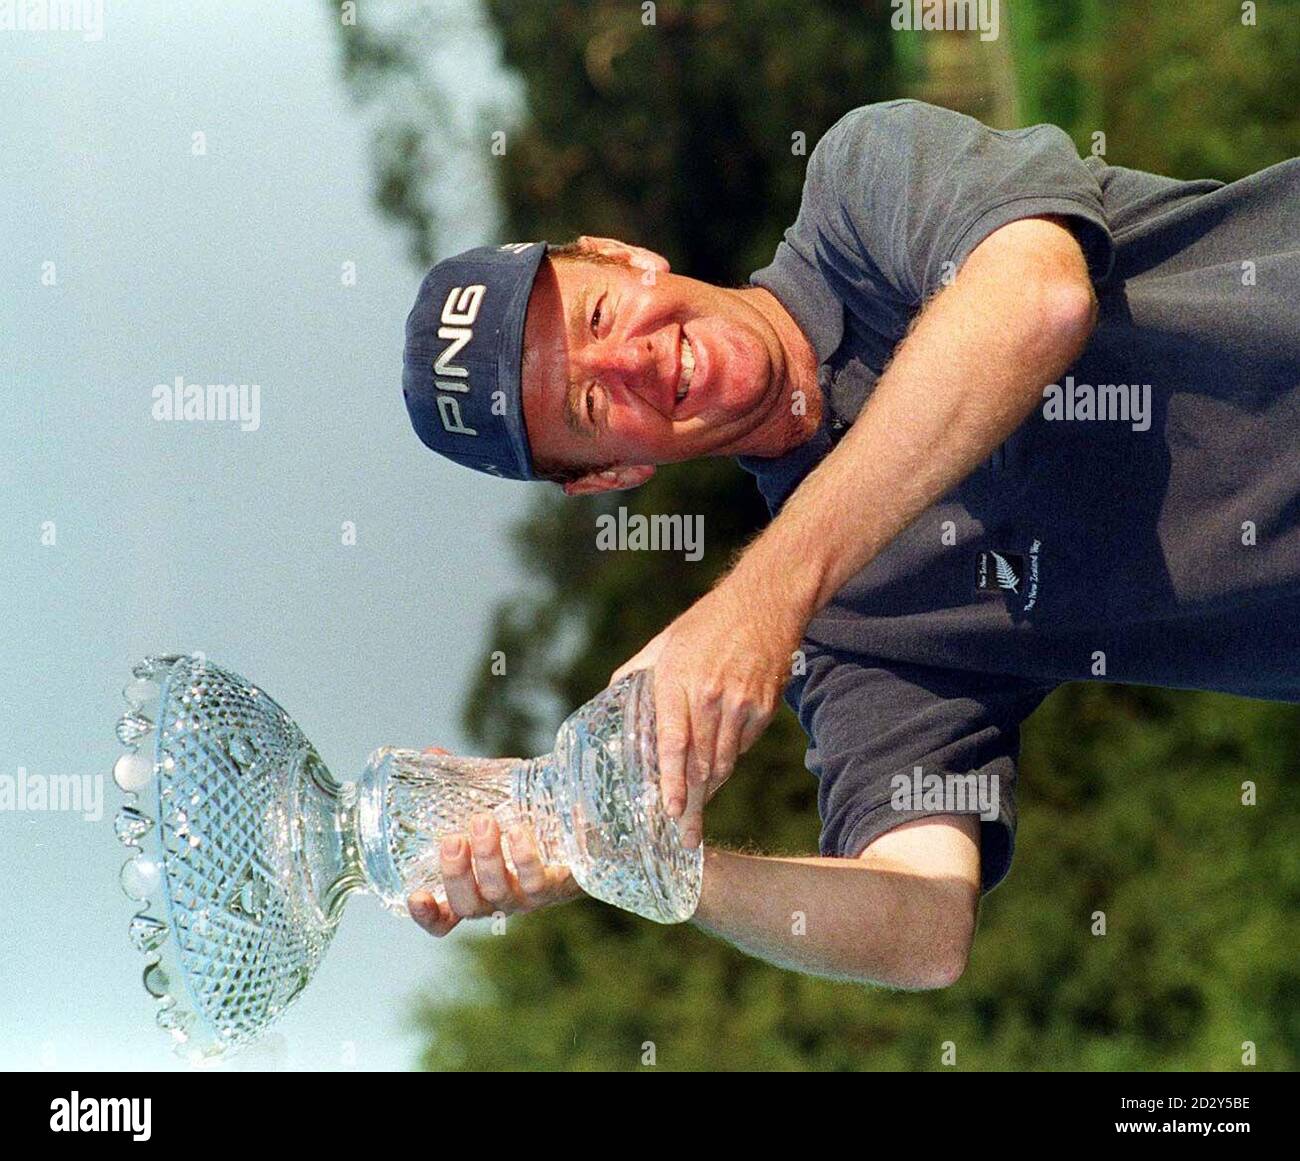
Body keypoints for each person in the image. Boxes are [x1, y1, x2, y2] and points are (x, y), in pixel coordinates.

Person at [398, 100, 1300, 987]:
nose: (631, 361)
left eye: (596, 317)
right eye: (590, 407)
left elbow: (1039, 296)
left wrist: (761, 600)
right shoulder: (841, 633)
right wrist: (636, 857)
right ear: (608, 476)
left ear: (623, 257)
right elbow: (923, 927)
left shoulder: (858, 194)